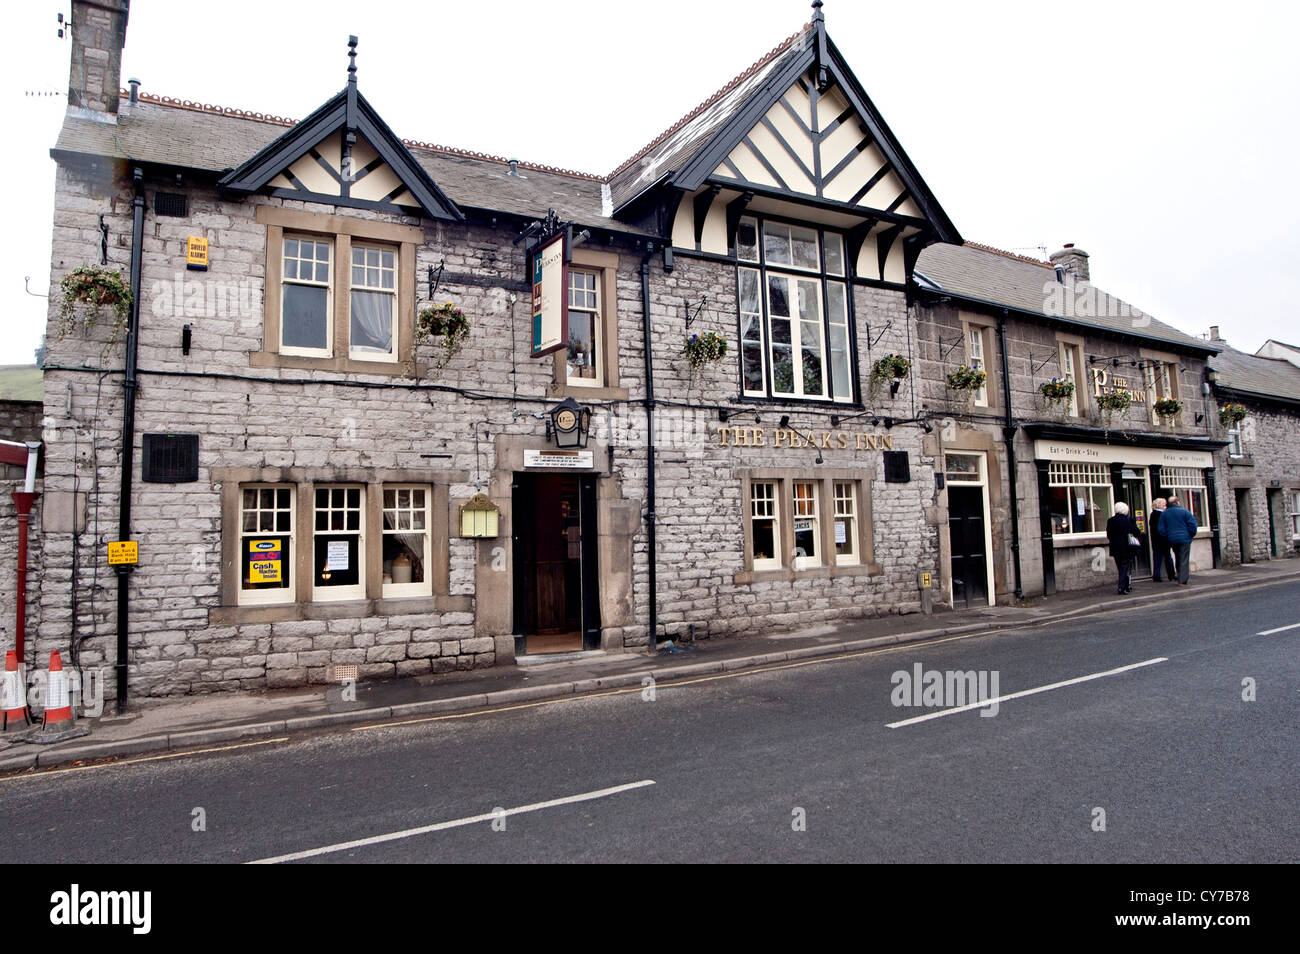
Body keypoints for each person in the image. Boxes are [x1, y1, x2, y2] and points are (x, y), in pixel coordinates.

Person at [1161, 494, 1199, 585]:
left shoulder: (1164, 514)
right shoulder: (1185, 512)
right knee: (1184, 559)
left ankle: (1179, 575)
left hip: (1172, 539)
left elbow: (1161, 529)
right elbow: (1193, 525)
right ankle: (1182, 580)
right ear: (1177, 502)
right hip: (1185, 539)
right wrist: (1190, 535)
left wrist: (1168, 536)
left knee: (1178, 557)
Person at [1105, 501, 1142, 595]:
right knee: (1124, 567)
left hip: (1115, 547)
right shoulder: (1128, 520)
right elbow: (1137, 532)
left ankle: (1125, 586)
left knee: (1120, 567)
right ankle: (1121, 587)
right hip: (1126, 547)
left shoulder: (1110, 520)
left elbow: (1109, 535)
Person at [1149, 497, 1177, 582]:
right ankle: (1171, 575)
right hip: (1164, 539)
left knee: (1157, 558)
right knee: (1168, 557)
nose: (1165, 507)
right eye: (1164, 505)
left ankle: (1156, 576)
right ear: (1160, 506)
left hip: (1155, 540)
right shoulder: (1163, 514)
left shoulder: (1152, 514)